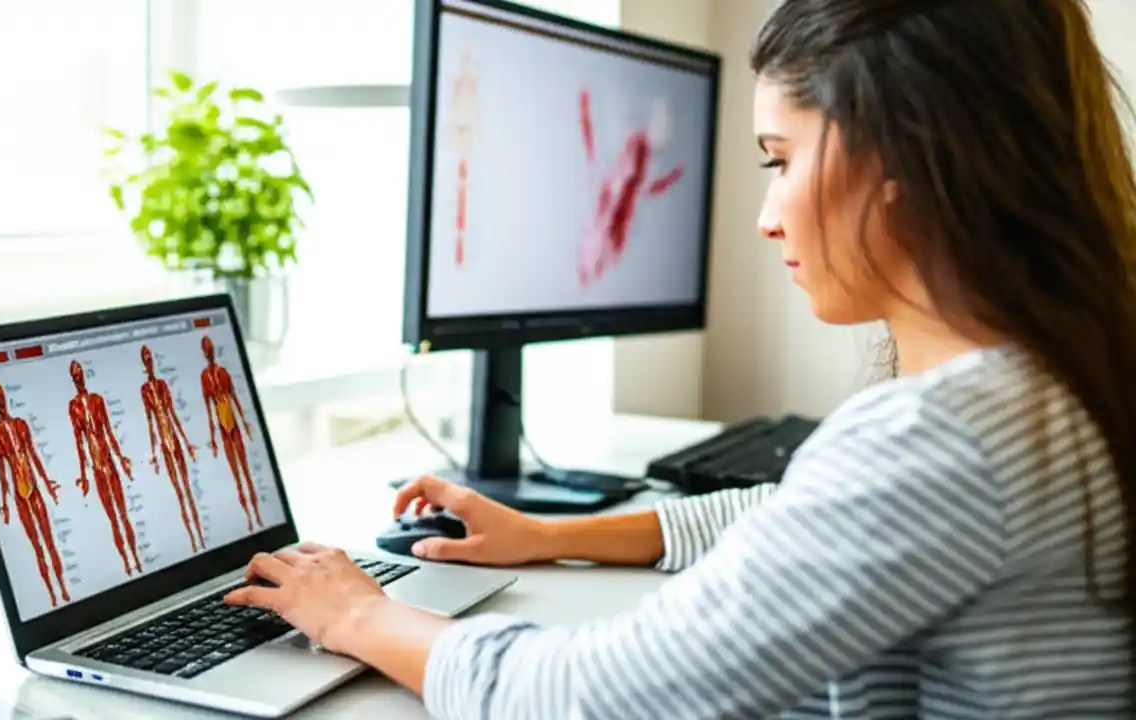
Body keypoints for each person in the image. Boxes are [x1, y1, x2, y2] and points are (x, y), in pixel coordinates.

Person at [224, 1, 1136, 716]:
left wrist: (362, 615)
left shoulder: (945, 438)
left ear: (904, 156)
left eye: (780, 160)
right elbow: (798, 515)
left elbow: (601, 699)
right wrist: (552, 538)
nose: (766, 213)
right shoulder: (1051, 381)